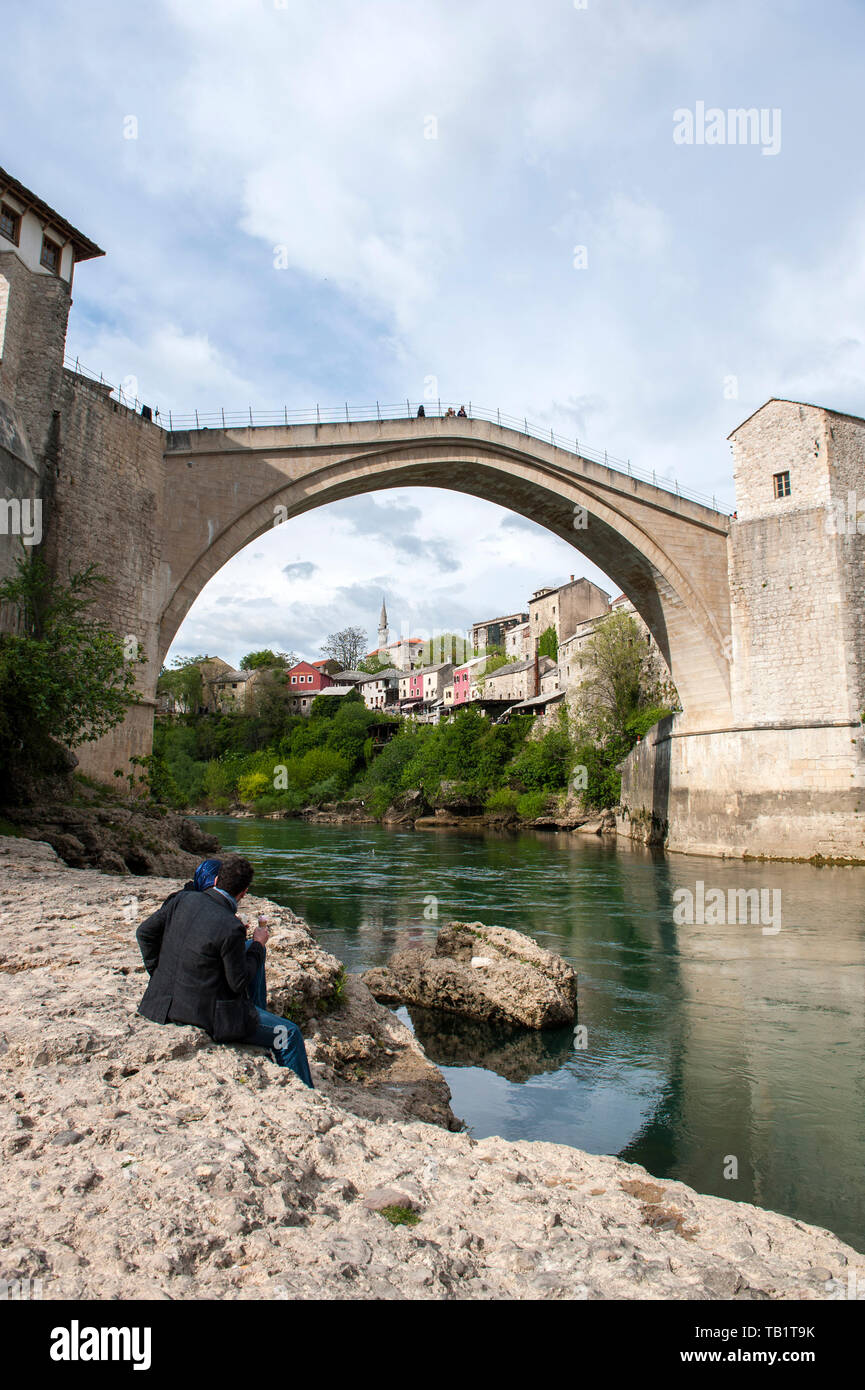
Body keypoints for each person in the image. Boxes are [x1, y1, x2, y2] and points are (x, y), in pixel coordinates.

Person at [135, 853, 313, 1086]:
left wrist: (157, 972)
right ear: (243, 893)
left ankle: (255, 1013)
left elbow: (144, 933)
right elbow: (238, 982)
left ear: (217, 881)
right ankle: (304, 1093)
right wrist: (259, 945)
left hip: (161, 1002)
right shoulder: (230, 926)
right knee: (288, 1034)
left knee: (248, 948)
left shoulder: (182, 899)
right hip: (202, 1015)